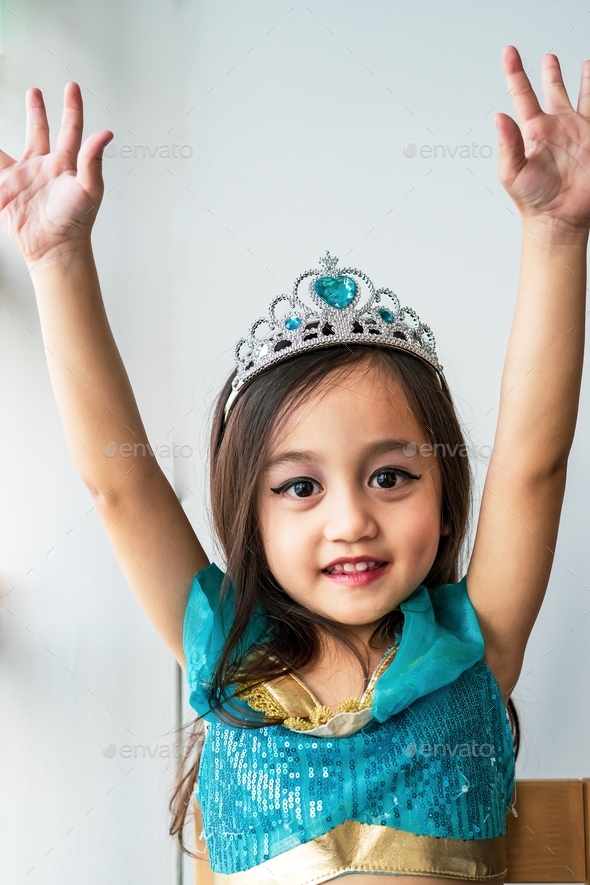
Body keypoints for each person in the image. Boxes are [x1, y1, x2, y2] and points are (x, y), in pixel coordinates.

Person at [2, 43, 588, 884]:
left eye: (391, 476)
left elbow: (536, 460)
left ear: (449, 498)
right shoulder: (220, 648)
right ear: (253, 516)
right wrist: (58, 262)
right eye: (300, 486)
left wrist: (558, 233)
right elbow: (119, 483)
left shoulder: (473, 642)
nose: (350, 518)